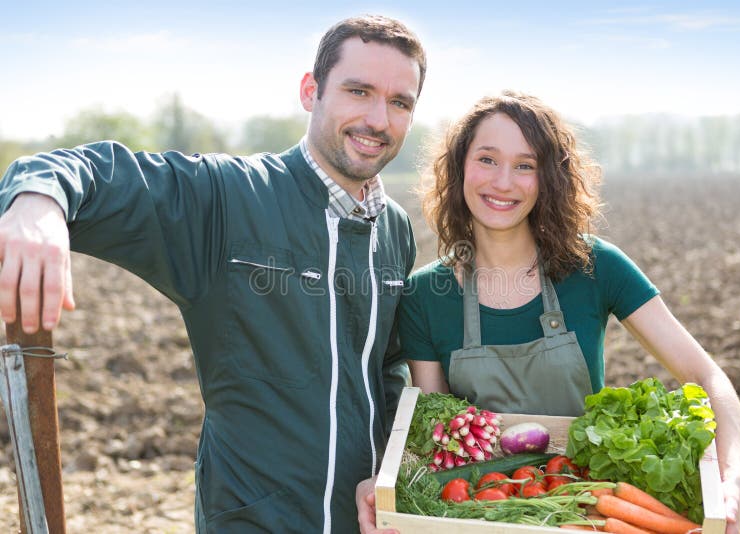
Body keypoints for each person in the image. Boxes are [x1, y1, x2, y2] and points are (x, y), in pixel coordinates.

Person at [0, 15, 425, 534]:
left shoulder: (395, 230)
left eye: (399, 102)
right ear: (311, 91)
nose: (378, 119)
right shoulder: (226, 197)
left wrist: (385, 472)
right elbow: (95, 173)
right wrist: (37, 201)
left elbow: (386, 369)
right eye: (358, 91)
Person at [397, 92, 740, 532]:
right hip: (484, 514)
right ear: (458, 168)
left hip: (588, 513)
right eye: (487, 159)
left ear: (549, 179)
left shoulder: (595, 267)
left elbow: (707, 376)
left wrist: (733, 475)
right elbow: (437, 439)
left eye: (525, 165)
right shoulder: (425, 295)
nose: (503, 181)